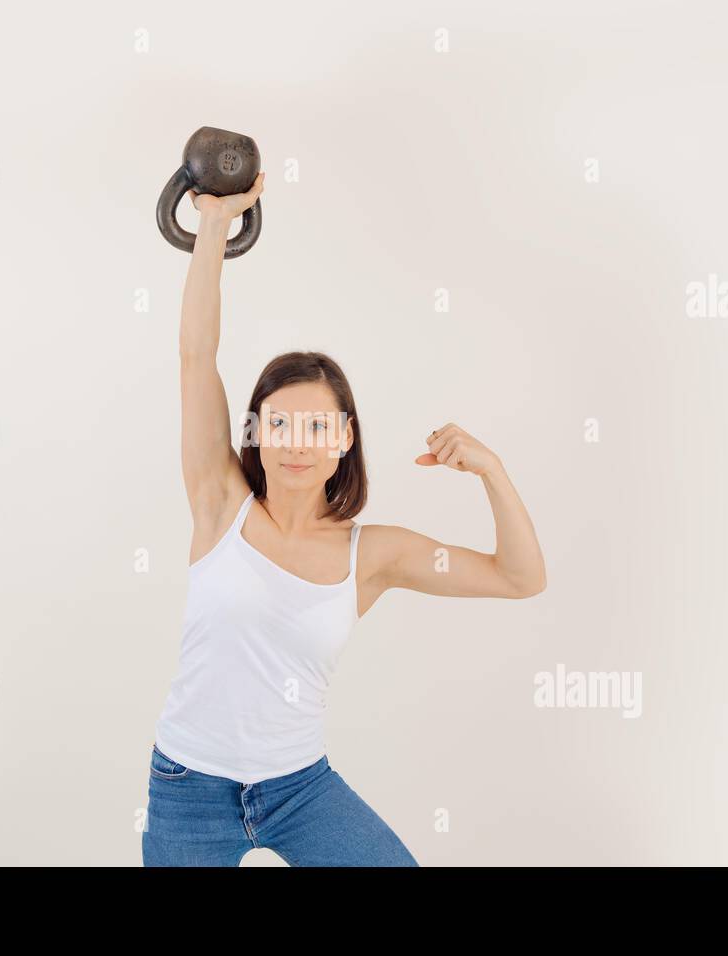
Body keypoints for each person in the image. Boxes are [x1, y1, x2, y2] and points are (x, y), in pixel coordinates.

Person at [144, 172, 547, 866]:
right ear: (256, 432)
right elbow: (195, 354)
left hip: (300, 789)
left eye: (317, 425)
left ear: (345, 438)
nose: (298, 441)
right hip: (189, 785)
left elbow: (520, 578)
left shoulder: (375, 554)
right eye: (281, 423)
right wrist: (213, 227)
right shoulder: (219, 502)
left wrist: (493, 471)